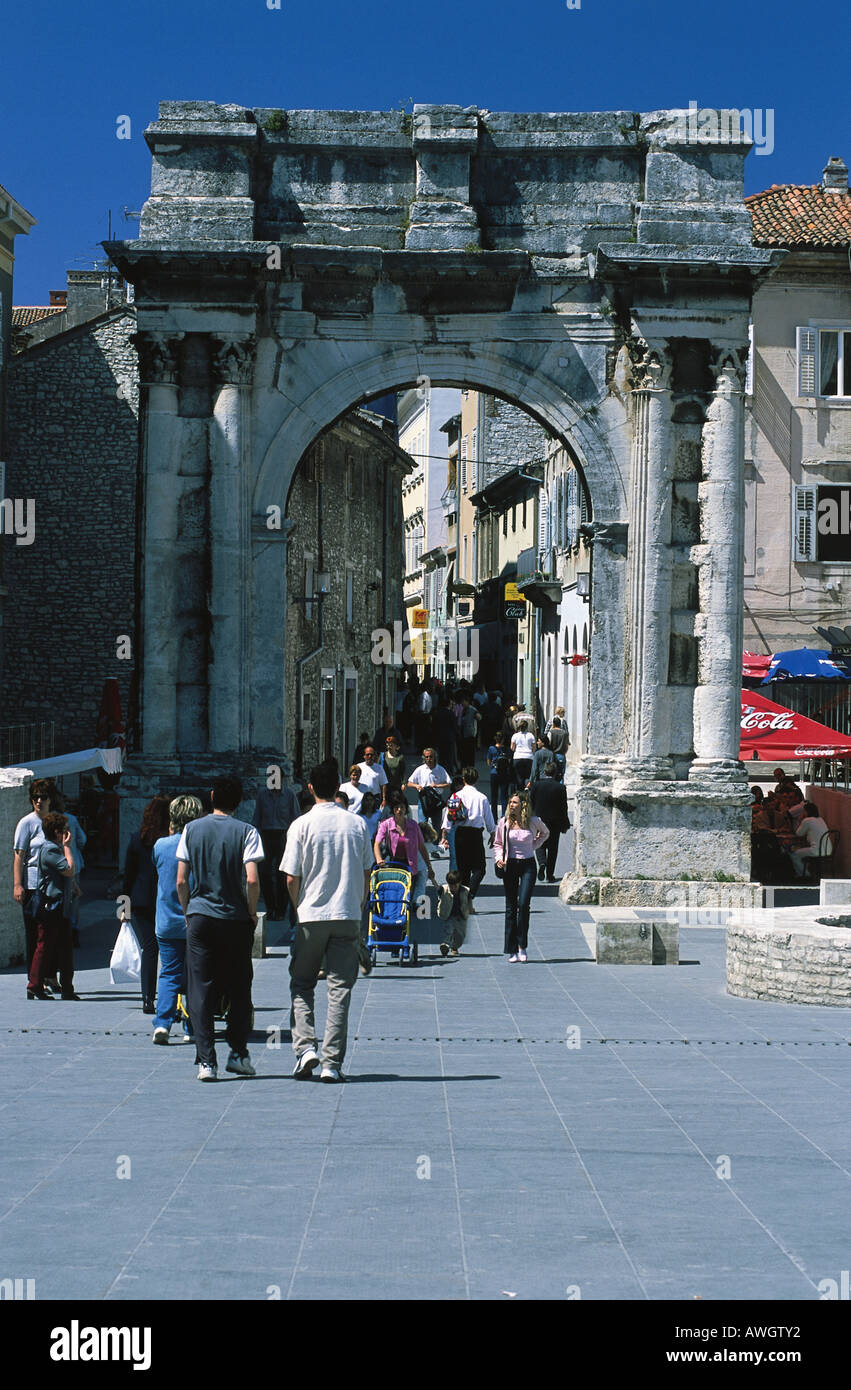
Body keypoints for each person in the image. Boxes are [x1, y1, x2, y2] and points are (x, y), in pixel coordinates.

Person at [283, 762, 376, 1083]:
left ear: (310, 788)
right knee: (339, 990)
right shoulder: (357, 824)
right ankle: (331, 1063)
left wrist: (299, 906)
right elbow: (368, 870)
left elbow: (291, 877)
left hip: (311, 914)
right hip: (347, 913)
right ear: (338, 786)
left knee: (302, 982)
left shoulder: (300, 825)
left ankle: (305, 1047)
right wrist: (359, 902)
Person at [176, 776, 264, 1081]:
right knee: (239, 987)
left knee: (200, 988)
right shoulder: (247, 831)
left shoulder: (191, 829)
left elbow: (181, 880)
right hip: (234, 918)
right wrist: (251, 911)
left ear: (212, 795)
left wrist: (188, 911)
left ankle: (206, 1061)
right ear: (238, 801)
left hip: (200, 915)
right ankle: (238, 1053)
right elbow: (251, 879)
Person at [151, 795, 204, 1044]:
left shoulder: (160, 845)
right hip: (195, 918)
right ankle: (191, 1027)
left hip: (166, 920)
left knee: (169, 973)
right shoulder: (200, 845)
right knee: (195, 974)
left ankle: (162, 1023)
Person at [123, 795, 171, 1014]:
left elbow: (128, 874)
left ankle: (147, 997)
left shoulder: (136, 839)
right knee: (169, 949)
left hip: (141, 899)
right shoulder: (169, 842)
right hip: (164, 899)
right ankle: (170, 996)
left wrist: (124, 905)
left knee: (149, 948)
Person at [494, 791, 549, 962]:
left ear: (523, 805)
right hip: (510, 864)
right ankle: (511, 949)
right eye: (510, 802)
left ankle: (521, 946)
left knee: (524, 904)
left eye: (515, 802)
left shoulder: (533, 821)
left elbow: (545, 833)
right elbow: (498, 843)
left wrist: (534, 845)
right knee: (511, 906)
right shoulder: (504, 822)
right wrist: (499, 859)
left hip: (528, 865)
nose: (511, 805)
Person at [27, 812, 76, 999]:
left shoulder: (52, 849)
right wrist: (67, 847)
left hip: (59, 906)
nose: (68, 833)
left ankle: (67, 988)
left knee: (64, 948)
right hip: (52, 906)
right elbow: (69, 870)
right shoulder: (51, 850)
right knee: (45, 946)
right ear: (57, 832)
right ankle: (35, 985)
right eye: (64, 830)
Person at [13, 778, 57, 981]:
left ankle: (49, 975)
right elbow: (19, 856)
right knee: (34, 934)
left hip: (53, 886)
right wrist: (17, 884)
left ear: (50, 799)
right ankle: (34, 978)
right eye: (35, 797)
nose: (39, 801)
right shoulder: (27, 823)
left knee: (51, 934)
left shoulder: (55, 821)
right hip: (32, 885)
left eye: (43, 797)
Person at [374, 790, 438, 909]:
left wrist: (429, 867)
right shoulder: (386, 825)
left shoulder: (413, 825)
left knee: (407, 891)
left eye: (402, 807)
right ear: (393, 810)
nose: (399, 810)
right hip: (394, 863)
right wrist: (378, 859)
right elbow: (377, 843)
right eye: (396, 808)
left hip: (410, 864)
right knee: (396, 892)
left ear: (406, 809)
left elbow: (422, 847)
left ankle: (406, 912)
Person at [440, 766, 495, 903]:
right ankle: (469, 895)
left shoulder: (456, 796)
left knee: (463, 869)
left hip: (460, 834)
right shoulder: (482, 797)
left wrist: (444, 836)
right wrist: (492, 833)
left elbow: (447, 818)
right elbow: (489, 818)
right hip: (475, 834)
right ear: (476, 779)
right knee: (480, 868)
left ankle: (464, 901)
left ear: (463, 779)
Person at [252, 775, 300, 920]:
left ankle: (281, 910)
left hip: (283, 835)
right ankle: (270, 907)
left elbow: (296, 817)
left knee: (282, 874)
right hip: (266, 835)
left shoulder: (289, 795)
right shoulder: (262, 795)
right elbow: (257, 818)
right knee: (264, 873)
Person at [529, 762, 570, 882]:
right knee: (553, 848)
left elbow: (531, 802)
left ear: (544, 772)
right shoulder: (560, 788)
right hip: (555, 821)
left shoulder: (536, 785)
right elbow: (563, 807)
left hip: (539, 820)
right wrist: (565, 823)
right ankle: (550, 874)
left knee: (539, 843)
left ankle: (542, 862)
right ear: (555, 773)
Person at [405, 747, 452, 847]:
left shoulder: (440, 769)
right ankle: (424, 847)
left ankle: (434, 847)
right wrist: (416, 786)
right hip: (423, 799)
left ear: (434, 757)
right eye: (426, 757)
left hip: (435, 800)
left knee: (436, 825)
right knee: (422, 825)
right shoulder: (420, 769)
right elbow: (409, 783)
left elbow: (449, 783)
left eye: (431, 757)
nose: (429, 759)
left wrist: (437, 785)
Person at [786, 801, 830, 879]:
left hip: (816, 851)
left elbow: (798, 833)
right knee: (801, 851)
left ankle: (805, 875)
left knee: (794, 854)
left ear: (806, 812)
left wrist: (800, 820)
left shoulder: (807, 820)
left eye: (803, 811)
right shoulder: (821, 819)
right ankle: (806, 871)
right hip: (828, 849)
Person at [437, 870, 472, 957]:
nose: (453, 888)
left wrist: (471, 908)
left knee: (461, 936)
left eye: (455, 886)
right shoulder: (444, 889)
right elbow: (437, 888)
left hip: (461, 915)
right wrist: (433, 879)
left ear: (459, 883)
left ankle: (454, 947)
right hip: (448, 914)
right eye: (450, 886)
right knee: (448, 930)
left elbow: (469, 900)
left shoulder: (465, 891)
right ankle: (445, 945)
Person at [487, 732, 512, 819]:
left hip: (494, 773)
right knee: (504, 796)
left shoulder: (491, 748)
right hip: (504, 773)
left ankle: (494, 817)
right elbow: (509, 761)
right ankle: (504, 816)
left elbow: (488, 762)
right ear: (503, 740)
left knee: (494, 796)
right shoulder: (507, 749)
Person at [510, 720, 536, 790]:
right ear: (527, 727)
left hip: (517, 757)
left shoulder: (515, 735)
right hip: (529, 757)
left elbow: (512, 748)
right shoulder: (531, 735)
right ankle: (527, 790)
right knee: (527, 776)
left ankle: (520, 791)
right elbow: (534, 748)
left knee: (519, 777)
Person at [458, 695, 481, 768]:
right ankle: (464, 767)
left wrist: (476, 716)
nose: (462, 703)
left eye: (463, 701)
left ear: (467, 701)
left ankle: (471, 768)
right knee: (464, 753)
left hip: (470, 734)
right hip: (464, 733)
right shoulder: (463, 709)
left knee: (470, 752)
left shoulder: (472, 709)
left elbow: (479, 717)